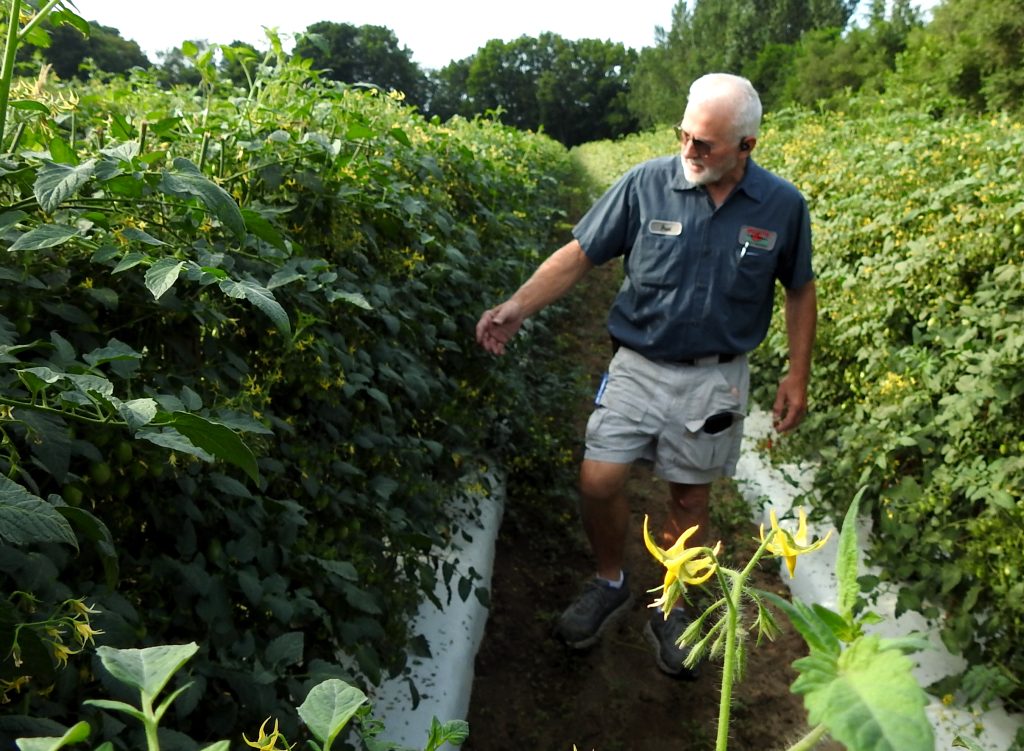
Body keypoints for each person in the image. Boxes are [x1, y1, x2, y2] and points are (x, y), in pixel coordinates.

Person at [475, 73, 817, 679]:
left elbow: (798, 288)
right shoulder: (645, 184)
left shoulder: (782, 207)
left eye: (705, 144)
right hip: (636, 364)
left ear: (747, 146)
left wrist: (797, 373)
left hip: (716, 378)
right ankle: (611, 580)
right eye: (684, 136)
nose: (689, 152)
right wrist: (517, 306)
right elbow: (580, 253)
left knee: (689, 498)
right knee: (600, 478)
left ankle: (674, 607)